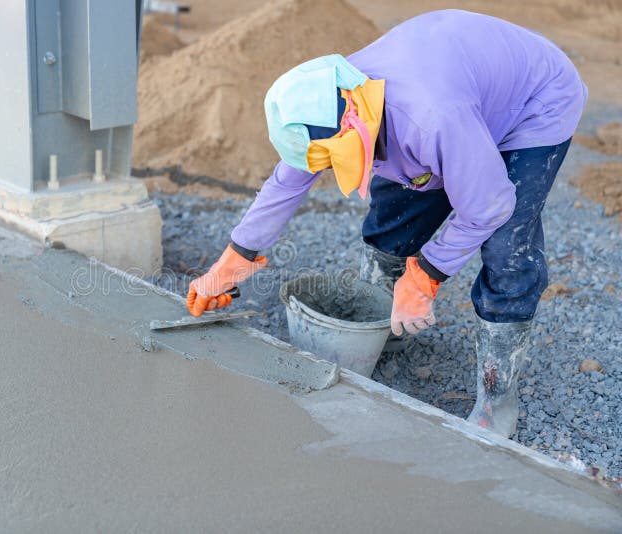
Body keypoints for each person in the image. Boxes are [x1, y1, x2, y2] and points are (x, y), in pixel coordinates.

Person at [184, 9, 587, 438]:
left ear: (354, 124)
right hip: (459, 86)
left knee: (507, 249)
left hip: (533, 102)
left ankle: (496, 399)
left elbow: (489, 205)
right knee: (395, 211)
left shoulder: (430, 119)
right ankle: (381, 326)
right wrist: (234, 258)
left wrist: (425, 276)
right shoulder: (329, 100)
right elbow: (289, 180)